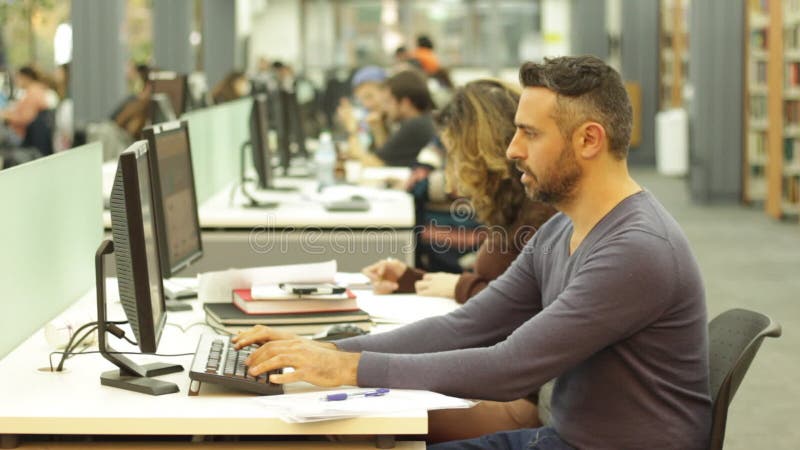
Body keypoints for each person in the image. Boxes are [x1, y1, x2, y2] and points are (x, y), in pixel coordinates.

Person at [233, 56, 711, 449]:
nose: (512, 148)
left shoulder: (636, 251)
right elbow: (469, 325)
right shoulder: (562, 229)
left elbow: (506, 368)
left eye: (530, 133)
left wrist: (347, 368)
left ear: (589, 139)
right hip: (561, 438)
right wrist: (324, 350)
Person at [363, 79, 556, 302]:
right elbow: (491, 288)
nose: (450, 177)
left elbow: (526, 306)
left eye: (454, 154)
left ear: (481, 151)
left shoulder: (539, 214)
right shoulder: (508, 207)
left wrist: (460, 287)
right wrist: (408, 280)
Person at [346, 70, 436, 167]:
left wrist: (352, 129)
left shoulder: (416, 126)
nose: (386, 107)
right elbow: (386, 156)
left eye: (388, 101)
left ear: (405, 103)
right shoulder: (424, 120)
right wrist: (377, 127)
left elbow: (374, 163)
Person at [337, 65, 390, 152]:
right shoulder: (372, 119)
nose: (367, 105)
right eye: (362, 100)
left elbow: (381, 160)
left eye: (369, 96)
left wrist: (352, 129)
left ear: (386, 91)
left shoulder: (397, 123)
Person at [0, 66, 50, 146]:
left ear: (25, 77)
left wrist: (6, 116)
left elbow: (26, 118)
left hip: (21, 135)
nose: (17, 81)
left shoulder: (33, 93)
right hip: (23, 133)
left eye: (18, 78)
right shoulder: (35, 90)